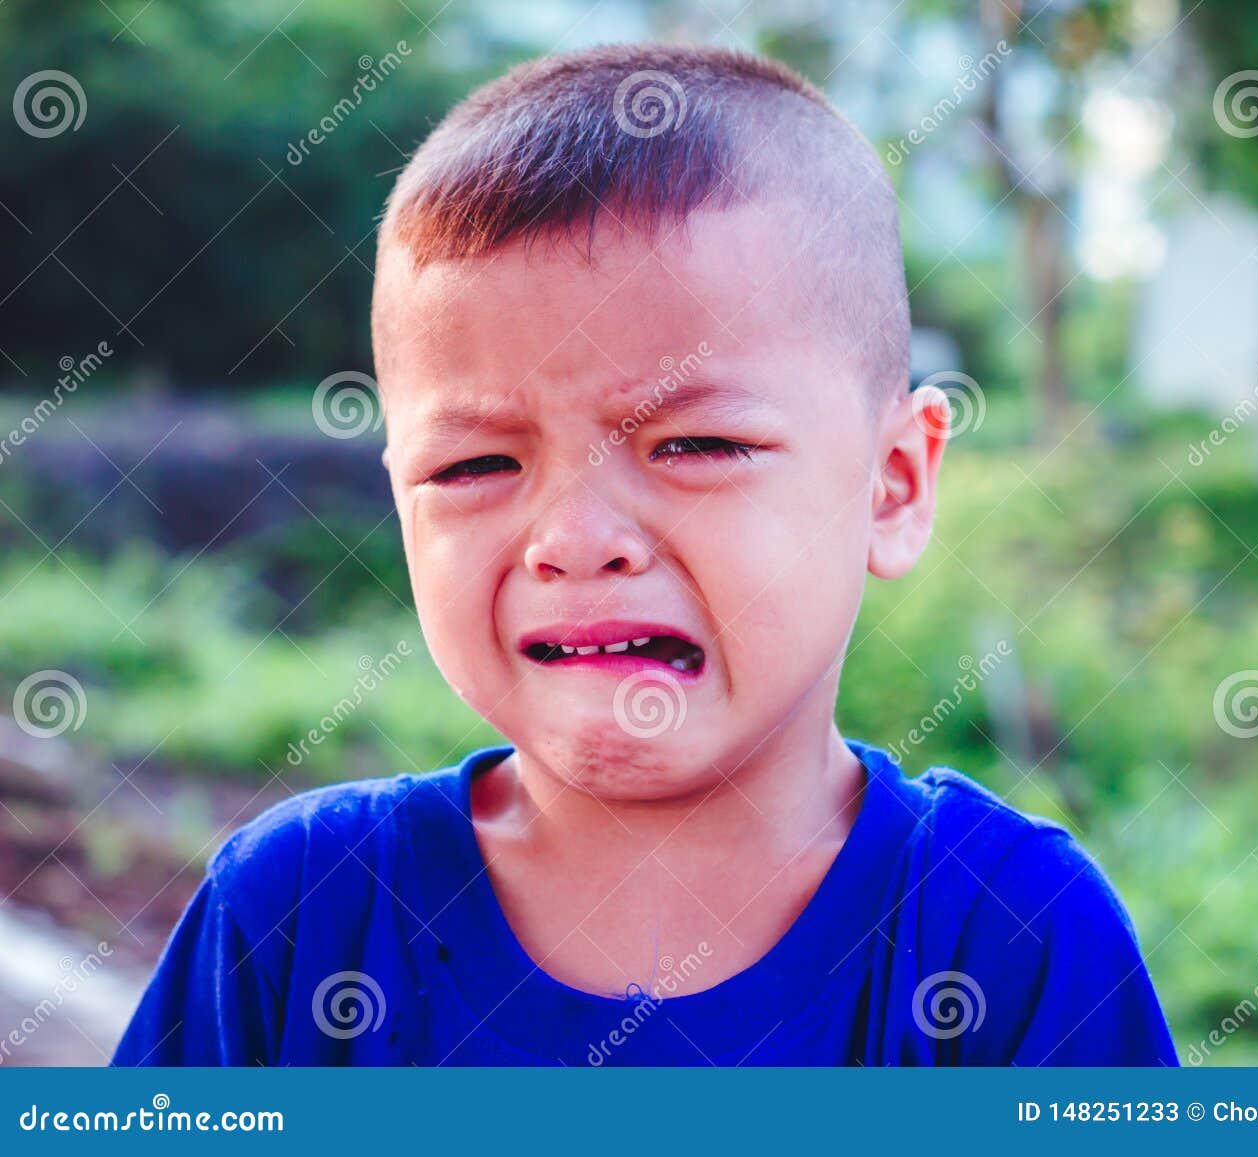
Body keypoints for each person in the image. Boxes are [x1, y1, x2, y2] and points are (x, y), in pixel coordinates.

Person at [112, 42, 1176, 1066]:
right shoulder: (301, 915)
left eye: (696, 445)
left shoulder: (1007, 937)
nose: (572, 542)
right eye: (475, 465)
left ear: (892, 484)